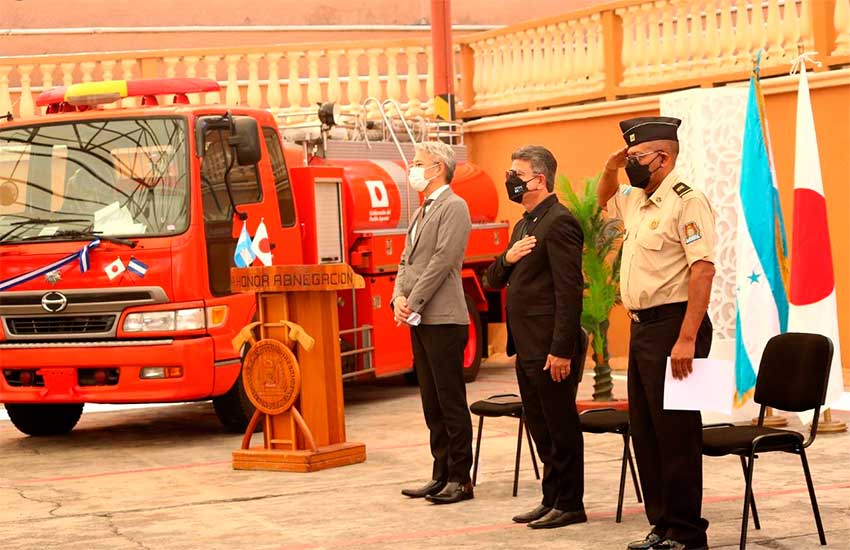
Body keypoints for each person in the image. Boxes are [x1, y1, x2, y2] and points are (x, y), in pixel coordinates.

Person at [598, 116, 716, 550]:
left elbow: (702, 270)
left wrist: (687, 338)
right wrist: (613, 166)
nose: (632, 164)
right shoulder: (638, 200)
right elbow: (602, 198)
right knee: (646, 432)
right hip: (643, 330)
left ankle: (687, 533)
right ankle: (662, 525)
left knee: (678, 433)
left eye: (636, 157)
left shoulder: (687, 201)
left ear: (661, 157)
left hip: (678, 327)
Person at [486, 145, 586, 529]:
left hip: (550, 349)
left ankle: (570, 503)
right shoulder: (524, 225)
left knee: (560, 426)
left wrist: (562, 350)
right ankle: (551, 498)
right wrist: (508, 258)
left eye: (516, 174)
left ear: (539, 179)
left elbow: (569, 291)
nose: (510, 180)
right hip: (526, 346)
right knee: (540, 425)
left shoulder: (559, 221)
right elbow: (493, 280)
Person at [393, 140, 474, 505]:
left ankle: (461, 477)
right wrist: (398, 297)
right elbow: (406, 261)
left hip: (442, 318)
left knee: (450, 400)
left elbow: (442, 261)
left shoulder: (454, 207)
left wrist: (414, 301)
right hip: (420, 318)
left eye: (418, 162)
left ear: (438, 167)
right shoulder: (421, 210)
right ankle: (440, 473)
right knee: (431, 401)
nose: (413, 167)